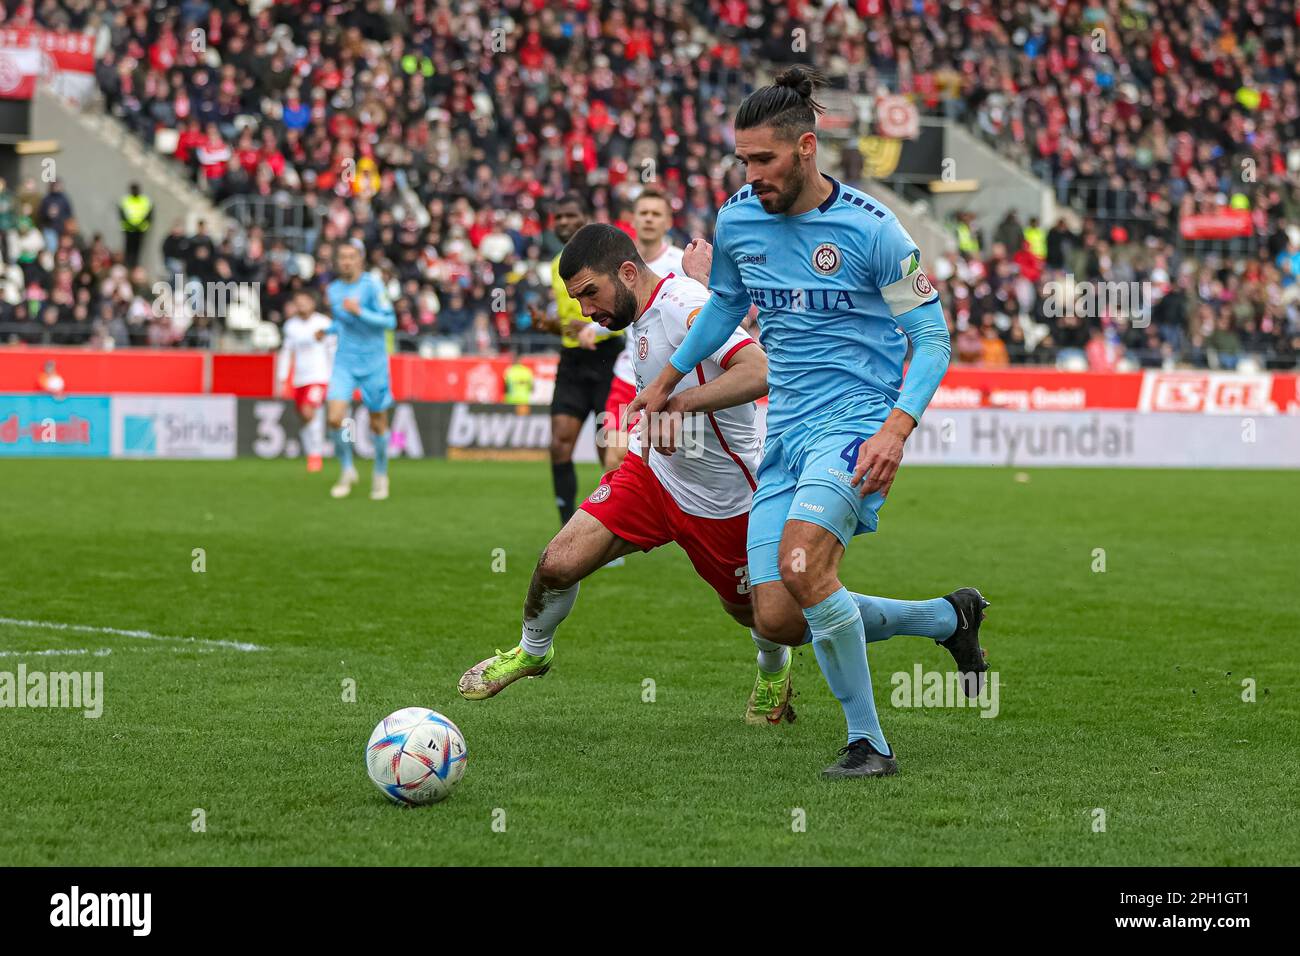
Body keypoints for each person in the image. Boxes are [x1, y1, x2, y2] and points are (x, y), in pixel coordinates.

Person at [629, 68, 991, 779]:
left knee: (803, 562)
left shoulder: (874, 229)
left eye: (764, 160)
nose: (752, 174)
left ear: (805, 147)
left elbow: (934, 339)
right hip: (785, 433)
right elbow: (728, 305)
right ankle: (949, 619)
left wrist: (895, 430)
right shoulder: (737, 219)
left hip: (855, 426)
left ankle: (870, 744)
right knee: (778, 615)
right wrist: (668, 378)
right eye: (743, 161)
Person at [457, 224, 794, 726]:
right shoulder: (636, 309)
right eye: (577, 299)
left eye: (589, 293)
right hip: (655, 476)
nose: (585, 309)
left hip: (727, 497)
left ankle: (773, 671)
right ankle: (533, 651)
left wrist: (677, 404)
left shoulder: (681, 303)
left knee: (756, 615)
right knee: (557, 562)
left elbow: (759, 370)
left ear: (629, 272)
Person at [528, 194, 624, 526]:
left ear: (585, 219)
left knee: (607, 448)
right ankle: (567, 527)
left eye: (571, 215)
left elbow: (623, 315)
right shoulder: (556, 266)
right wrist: (550, 325)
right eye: (559, 217)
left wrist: (593, 330)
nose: (564, 222)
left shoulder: (605, 259)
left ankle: (609, 526)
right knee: (559, 444)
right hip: (572, 359)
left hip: (608, 358)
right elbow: (571, 325)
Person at [601, 186, 688, 474]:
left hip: (668, 379)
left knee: (663, 468)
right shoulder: (617, 265)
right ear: (633, 220)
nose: (649, 219)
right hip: (626, 378)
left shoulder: (681, 263)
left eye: (656, 214)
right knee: (613, 459)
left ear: (667, 222)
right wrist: (596, 331)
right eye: (644, 213)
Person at [324, 240, 396, 500]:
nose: (346, 261)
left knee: (378, 422)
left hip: (374, 364)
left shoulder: (373, 286)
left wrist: (360, 311)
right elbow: (343, 323)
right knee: (334, 418)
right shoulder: (333, 290)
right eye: (342, 256)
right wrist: (328, 330)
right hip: (344, 362)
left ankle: (380, 473)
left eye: (351, 256)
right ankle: (347, 468)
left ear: (360, 260)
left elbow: (390, 320)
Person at [276, 291, 334, 473]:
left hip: (319, 376)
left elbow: (332, 350)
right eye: (297, 301)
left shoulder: (323, 323)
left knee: (309, 411)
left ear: (312, 303)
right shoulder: (290, 326)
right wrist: (282, 377)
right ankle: (312, 452)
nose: (300, 305)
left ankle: (316, 455)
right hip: (300, 379)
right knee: (304, 416)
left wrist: (335, 376)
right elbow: (286, 352)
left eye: (304, 301)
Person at [119, 183, 152, 269]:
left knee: (137, 251)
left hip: (140, 230)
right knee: (128, 250)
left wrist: (139, 224)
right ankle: (127, 266)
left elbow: (149, 214)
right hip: (128, 229)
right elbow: (122, 213)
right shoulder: (126, 200)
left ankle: (135, 267)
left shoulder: (145, 200)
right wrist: (131, 224)